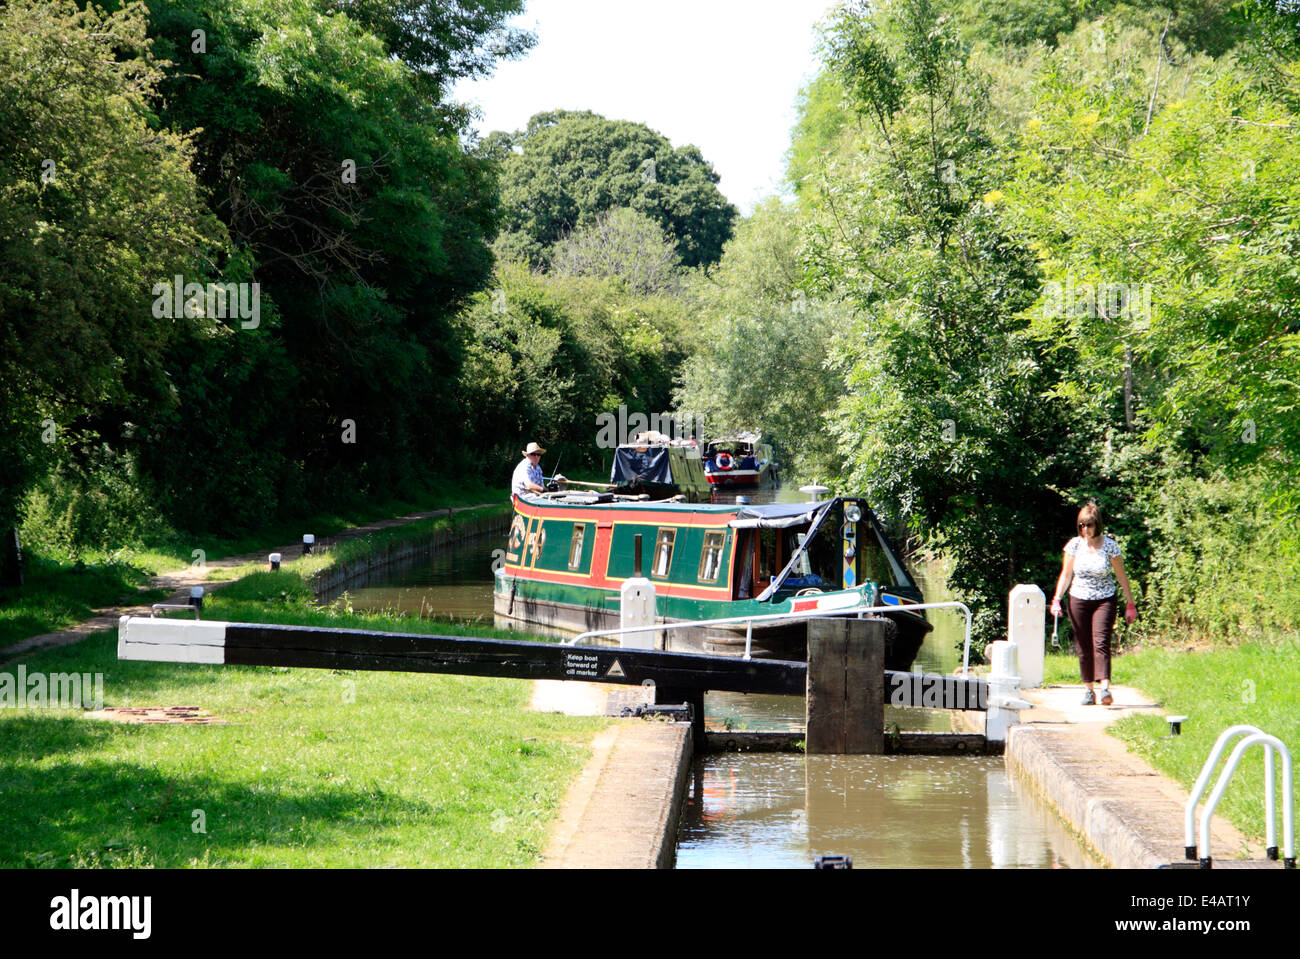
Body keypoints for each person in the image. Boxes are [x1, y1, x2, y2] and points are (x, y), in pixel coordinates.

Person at [1050, 502, 1137, 706]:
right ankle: (1088, 689)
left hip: (1104, 599)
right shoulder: (1074, 545)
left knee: (1101, 642)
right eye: (1082, 525)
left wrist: (1130, 604)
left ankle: (1105, 687)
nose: (1085, 530)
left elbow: (1121, 576)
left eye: (1089, 525)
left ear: (1097, 525)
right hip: (1078, 598)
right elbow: (1066, 574)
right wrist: (1056, 599)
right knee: (1083, 645)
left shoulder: (1110, 547)